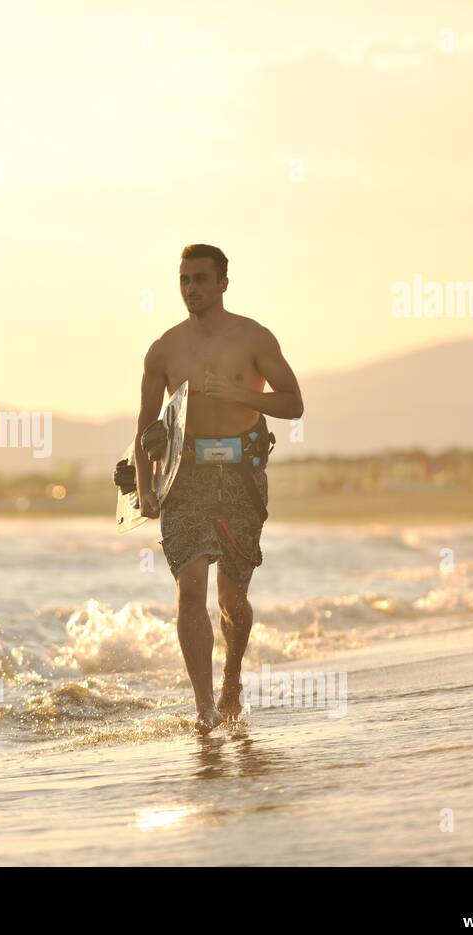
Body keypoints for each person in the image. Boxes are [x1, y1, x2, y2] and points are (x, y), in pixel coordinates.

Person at [134, 244, 305, 733]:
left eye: (202, 279)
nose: (192, 289)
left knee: (232, 597)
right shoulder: (163, 350)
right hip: (183, 476)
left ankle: (231, 677)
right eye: (185, 280)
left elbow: (294, 404)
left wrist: (240, 395)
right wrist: (146, 487)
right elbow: (147, 425)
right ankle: (204, 708)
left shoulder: (253, 338)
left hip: (240, 476)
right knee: (190, 589)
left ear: (223, 283)